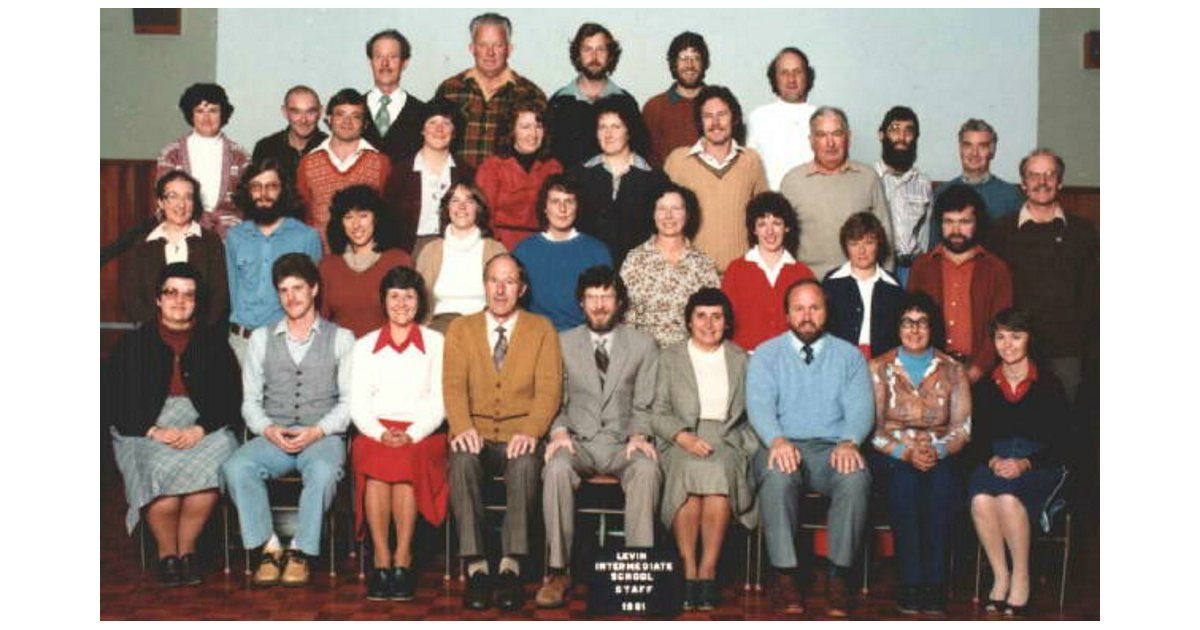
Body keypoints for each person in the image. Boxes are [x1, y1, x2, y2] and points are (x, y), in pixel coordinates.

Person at [103, 263, 241, 587]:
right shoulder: (133, 344)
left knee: (217, 464)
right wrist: (153, 431)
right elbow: (113, 399)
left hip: (200, 427)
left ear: (198, 302)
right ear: (158, 299)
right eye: (172, 293)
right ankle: (168, 554)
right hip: (145, 428)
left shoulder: (214, 344)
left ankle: (187, 551)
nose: (180, 301)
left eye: (189, 295)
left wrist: (199, 429)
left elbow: (229, 398)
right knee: (160, 480)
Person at [221, 254, 355, 587]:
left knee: (324, 471)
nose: (291, 297)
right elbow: (249, 402)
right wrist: (267, 429)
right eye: (283, 290)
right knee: (236, 467)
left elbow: (350, 403)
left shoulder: (341, 338)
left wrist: (318, 430)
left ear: (314, 289)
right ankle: (268, 547)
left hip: (321, 434)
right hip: (274, 434)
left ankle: (300, 550)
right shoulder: (262, 339)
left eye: (298, 288)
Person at [536, 266, 661, 609]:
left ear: (619, 302)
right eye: (592, 297)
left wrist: (639, 434)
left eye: (606, 296)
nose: (600, 304)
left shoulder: (643, 345)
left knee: (648, 470)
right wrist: (559, 431)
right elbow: (551, 399)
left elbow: (646, 402)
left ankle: (638, 570)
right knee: (557, 468)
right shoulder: (561, 343)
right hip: (578, 442)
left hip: (624, 443)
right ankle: (558, 571)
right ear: (581, 302)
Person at [444, 254, 563, 611]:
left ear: (521, 289)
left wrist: (531, 430)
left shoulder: (541, 329)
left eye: (509, 281)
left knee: (527, 464)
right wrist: (462, 427)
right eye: (494, 280)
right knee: (462, 461)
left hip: (520, 432)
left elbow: (549, 389)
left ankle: (511, 565)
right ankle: (477, 566)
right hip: (475, 431)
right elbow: (452, 386)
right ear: (484, 285)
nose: (500, 289)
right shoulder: (461, 329)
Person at [747, 279, 873, 617]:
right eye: (799, 308)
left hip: (834, 447)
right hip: (784, 443)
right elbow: (759, 404)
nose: (807, 316)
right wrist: (776, 439)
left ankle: (838, 576)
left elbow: (861, 407)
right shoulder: (766, 354)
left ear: (826, 312)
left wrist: (850, 441)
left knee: (855, 477)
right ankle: (785, 575)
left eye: (814, 308)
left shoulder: (849, 356)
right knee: (777, 477)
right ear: (787, 314)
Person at [651, 288, 759, 611]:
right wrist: (682, 436)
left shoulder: (742, 359)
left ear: (727, 323)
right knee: (687, 468)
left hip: (727, 437)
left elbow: (754, 413)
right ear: (688, 321)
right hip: (681, 437)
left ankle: (708, 570)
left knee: (718, 468)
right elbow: (657, 411)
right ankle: (688, 570)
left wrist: (740, 443)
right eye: (701, 316)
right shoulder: (669, 357)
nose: (708, 324)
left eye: (717, 317)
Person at [868, 292, 971, 615]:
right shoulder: (879, 367)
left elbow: (963, 427)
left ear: (932, 327)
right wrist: (904, 452)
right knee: (906, 489)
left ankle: (936, 584)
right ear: (897, 327)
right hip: (893, 455)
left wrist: (936, 451)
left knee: (942, 490)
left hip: (939, 453)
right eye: (907, 323)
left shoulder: (952, 368)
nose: (914, 330)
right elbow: (872, 428)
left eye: (922, 322)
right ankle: (911, 584)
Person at [349, 266, 448, 601]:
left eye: (409, 296)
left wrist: (414, 432)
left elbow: (440, 401)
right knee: (376, 470)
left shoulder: (436, 342)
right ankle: (381, 559)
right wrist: (380, 433)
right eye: (394, 296)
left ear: (419, 302)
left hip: (421, 434)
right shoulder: (364, 346)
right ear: (384, 301)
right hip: (375, 431)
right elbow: (358, 404)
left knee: (406, 465)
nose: (402, 303)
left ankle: (403, 558)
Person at [968, 308, 1069, 618]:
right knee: (983, 499)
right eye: (1000, 337)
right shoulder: (985, 387)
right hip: (997, 458)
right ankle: (1001, 576)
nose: (1007, 344)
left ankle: (1021, 575)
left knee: (1010, 500)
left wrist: (1025, 463)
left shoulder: (1049, 385)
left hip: (1039, 463)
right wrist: (992, 458)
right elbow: (977, 439)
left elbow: (1064, 443)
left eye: (1016, 336)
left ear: (1030, 339)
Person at [988, 149, 1098, 406]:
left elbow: (1093, 295)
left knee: (1064, 424)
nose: (1042, 182)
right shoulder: (1000, 231)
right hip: (1015, 350)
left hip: (1067, 352)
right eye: (1034, 175)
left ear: (1060, 182)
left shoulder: (1083, 232)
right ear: (1024, 184)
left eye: (1050, 175)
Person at [908, 184, 1013, 383]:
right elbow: (911, 324)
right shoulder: (922, 267)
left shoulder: (997, 269)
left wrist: (976, 371)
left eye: (965, 222)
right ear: (939, 224)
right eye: (948, 222)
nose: (956, 230)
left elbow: (1002, 328)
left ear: (977, 223)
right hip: (928, 373)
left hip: (982, 374)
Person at [225, 159, 323, 364]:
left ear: (283, 191)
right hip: (241, 344)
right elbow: (233, 292)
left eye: (271, 187)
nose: (263, 194)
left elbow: (315, 298)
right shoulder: (235, 237)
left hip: (288, 343)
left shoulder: (306, 237)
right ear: (248, 192)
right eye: (256, 187)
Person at [663, 85, 769, 270]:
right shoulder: (678, 161)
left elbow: (764, 217)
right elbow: (662, 219)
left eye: (722, 114)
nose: (715, 122)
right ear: (699, 122)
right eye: (708, 116)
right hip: (690, 271)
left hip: (741, 271)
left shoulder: (750, 161)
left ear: (734, 118)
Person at [780, 106, 893, 278]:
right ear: (811, 141)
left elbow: (886, 238)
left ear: (848, 137)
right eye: (821, 135)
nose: (830, 143)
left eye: (837, 134)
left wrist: (885, 286)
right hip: (809, 286)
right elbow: (781, 244)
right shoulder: (792, 182)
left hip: (859, 285)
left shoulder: (868, 177)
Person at [433, 12, 547, 169]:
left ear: (509, 48)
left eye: (498, 45)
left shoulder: (530, 93)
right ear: (472, 48)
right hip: (459, 188)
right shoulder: (450, 90)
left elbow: (541, 154)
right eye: (482, 45)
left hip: (507, 190)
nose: (490, 53)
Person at [571, 97, 669, 269]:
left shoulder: (654, 179)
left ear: (629, 131)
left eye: (616, 126)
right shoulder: (578, 176)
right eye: (602, 127)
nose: (608, 134)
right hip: (589, 271)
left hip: (639, 271)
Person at [123, 170, 229, 327]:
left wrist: (197, 333)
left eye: (188, 197)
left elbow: (219, 297)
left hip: (201, 337)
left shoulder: (211, 242)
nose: (181, 204)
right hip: (152, 337)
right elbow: (132, 299)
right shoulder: (142, 244)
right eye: (173, 196)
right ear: (160, 202)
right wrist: (161, 332)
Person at [620, 184, 721, 347]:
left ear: (687, 214)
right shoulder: (635, 260)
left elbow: (714, 318)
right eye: (661, 209)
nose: (668, 216)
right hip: (645, 359)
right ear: (653, 214)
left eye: (676, 209)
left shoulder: (703, 263)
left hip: (689, 359)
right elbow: (626, 322)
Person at [296, 88, 392, 253]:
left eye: (355, 116)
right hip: (321, 259)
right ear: (329, 120)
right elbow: (303, 216)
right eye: (340, 114)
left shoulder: (380, 163)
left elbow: (385, 216)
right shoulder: (308, 163)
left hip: (366, 260)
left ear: (365, 124)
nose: (347, 121)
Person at [511, 174, 612, 331]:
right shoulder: (523, 251)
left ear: (577, 207)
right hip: (536, 334)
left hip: (582, 337)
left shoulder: (597, 251)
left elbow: (605, 307)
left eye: (569, 202)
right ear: (545, 207)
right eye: (555, 201)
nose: (562, 209)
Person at [721, 192, 815, 350]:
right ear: (754, 230)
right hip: (746, 360)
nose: (770, 231)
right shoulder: (736, 270)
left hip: (790, 360)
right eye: (762, 224)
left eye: (777, 223)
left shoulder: (803, 273)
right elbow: (725, 322)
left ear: (787, 227)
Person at [157, 82, 251, 240]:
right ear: (191, 115)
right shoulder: (171, 153)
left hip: (232, 237)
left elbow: (248, 204)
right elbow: (163, 202)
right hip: (183, 233)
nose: (206, 118)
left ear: (223, 113)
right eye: (199, 111)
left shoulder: (240, 155)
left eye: (213, 111)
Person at [546, 22, 647, 169]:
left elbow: (640, 153)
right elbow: (548, 157)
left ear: (610, 56)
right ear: (578, 55)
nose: (594, 56)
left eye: (601, 49)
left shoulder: (626, 103)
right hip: (569, 187)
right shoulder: (559, 102)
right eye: (587, 49)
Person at [318, 185, 414, 338]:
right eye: (348, 217)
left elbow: (409, 318)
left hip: (385, 352)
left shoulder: (398, 260)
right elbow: (320, 321)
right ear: (340, 223)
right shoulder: (328, 265)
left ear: (376, 218)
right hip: (341, 353)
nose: (356, 225)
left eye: (363, 216)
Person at [382, 100, 475, 257]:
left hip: (455, 248)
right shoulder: (401, 172)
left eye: (446, 123)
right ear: (422, 130)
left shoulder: (466, 172)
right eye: (432, 122)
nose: (439, 129)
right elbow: (387, 220)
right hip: (410, 250)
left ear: (454, 131)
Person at [414, 182, 507, 333]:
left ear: (478, 208)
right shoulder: (429, 251)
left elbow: (507, 299)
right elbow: (418, 302)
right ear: (447, 208)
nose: (461, 206)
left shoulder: (495, 250)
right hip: (440, 326)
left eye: (469, 201)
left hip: (484, 325)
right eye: (455, 201)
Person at [475, 100, 564, 250]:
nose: (533, 134)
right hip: (500, 245)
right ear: (512, 131)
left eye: (539, 126)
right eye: (525, 127)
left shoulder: (553, 168)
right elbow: (482, 217)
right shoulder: (492, 167)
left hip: (542, 245)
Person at [822, 212, 903, 360]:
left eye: (868, 243)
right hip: (839, 361)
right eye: (854, 244)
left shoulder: (893, 286)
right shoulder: (831, 283)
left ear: (879, 244)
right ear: (846, 247)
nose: (862, 251)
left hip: (883, 363)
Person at [931, 119, 1023, 248]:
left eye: (982, 146)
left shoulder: (1011, 195)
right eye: (968, 145)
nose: (974, 153)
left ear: (992, 150)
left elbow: (1018, 246)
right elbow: (934, 246)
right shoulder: (942, 192)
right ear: (960, 149)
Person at [874, 106, 932, 287]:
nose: (901, 137)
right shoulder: (869, 178)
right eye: (894, 129)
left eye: (908, 130)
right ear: (881, 135)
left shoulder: (923, 183)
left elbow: (926, 235)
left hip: (913, 270)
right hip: (878, 269)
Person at [746, 47, 818, 190]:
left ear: (807, 76)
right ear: (775, 78)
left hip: (813, 205)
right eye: (784, 73)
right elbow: (748, 169)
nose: (791, 79)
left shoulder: (821, 118)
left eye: (797, 72)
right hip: (771, 206)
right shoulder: (758, 117)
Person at [361, 29, 430, 164]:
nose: (385, 64)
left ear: (404, 63)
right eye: (379, 56)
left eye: (392, 57)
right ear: (370, 61)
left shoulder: (423, 112)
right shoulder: (353, 110)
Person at [641, 31, 709, 169]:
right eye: (683, 58)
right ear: (673, 63)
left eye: (696, 58)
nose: (690, 65)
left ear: (704, 63)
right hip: (667, 188)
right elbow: (646, 160)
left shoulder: (720, 106)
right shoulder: (654, 108)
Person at [251, 86, 328, 181]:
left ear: (320, 112)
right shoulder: (265, 148)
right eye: (296, 112)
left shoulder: (333, 149)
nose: (303, 120)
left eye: (310, 112)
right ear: (284, 112)